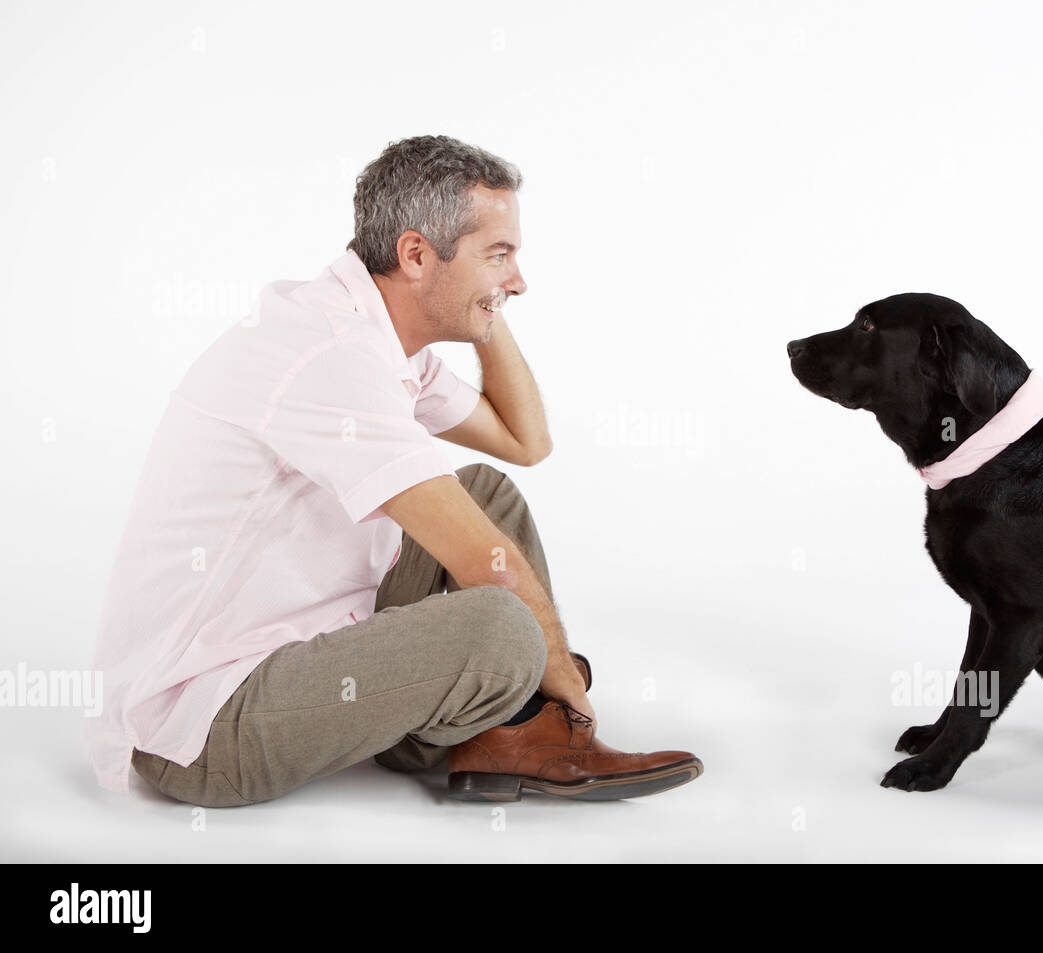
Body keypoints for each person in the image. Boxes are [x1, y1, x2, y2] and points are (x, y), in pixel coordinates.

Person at [84, 135, 702, 806]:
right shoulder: (331, 356)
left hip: (303, 650)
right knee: (501, 623)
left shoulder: (385, 339)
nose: (519, 279)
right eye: (499, 255)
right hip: (202, 724)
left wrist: (486, 303)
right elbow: (484, 560)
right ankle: (540, 734)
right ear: (415, 254)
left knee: (487, 494)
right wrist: (575, 702)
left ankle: (502, 736)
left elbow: (526, 441)